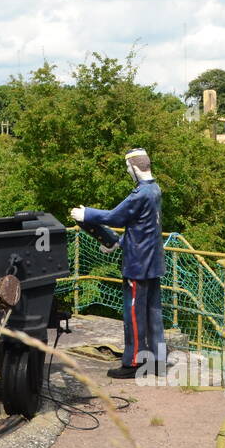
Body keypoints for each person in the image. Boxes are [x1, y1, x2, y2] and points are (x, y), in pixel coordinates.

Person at [70, 148, 166, 378]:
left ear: (133, 168)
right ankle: (158, 361)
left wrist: (87, 215)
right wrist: (118, 242)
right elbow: (142, 227)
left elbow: (115, 216)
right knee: (153, 313)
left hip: (138, 264)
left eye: (127, 168)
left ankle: (133, 363)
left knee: (133, 314)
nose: (127, 172)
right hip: (153, 262)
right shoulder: (155, 190)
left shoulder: (140, 193)